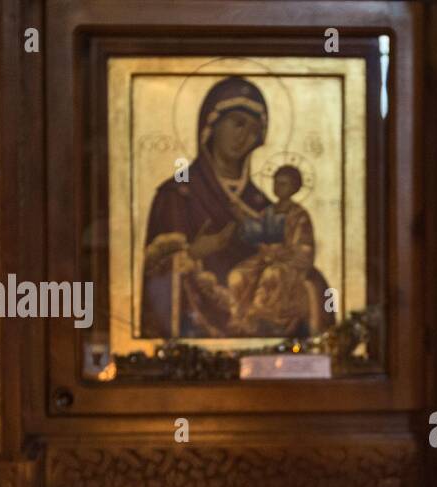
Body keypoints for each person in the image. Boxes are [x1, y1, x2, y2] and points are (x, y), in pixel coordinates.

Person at [139, 77, 283, 338]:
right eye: (237, 123)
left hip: (256, 335)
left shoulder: (262, 206)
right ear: (211, 124)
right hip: (191, 333)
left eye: (253, 130)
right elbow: (156, 274)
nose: (244, 136)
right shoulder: (178, 195)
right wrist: (193, 252)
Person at [229, 164, 333, 338]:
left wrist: (278, 252)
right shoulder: (268, 212)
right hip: (265, 258)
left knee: (272, 274)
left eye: (284, 184)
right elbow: (256, 234)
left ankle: (264, 319)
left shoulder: (299, 215)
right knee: (237, 275)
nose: (278, 187)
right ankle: (239, 319)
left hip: (289, 262)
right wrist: (241, 219)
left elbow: (303, 248)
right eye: (276, 183)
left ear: (295, 187)